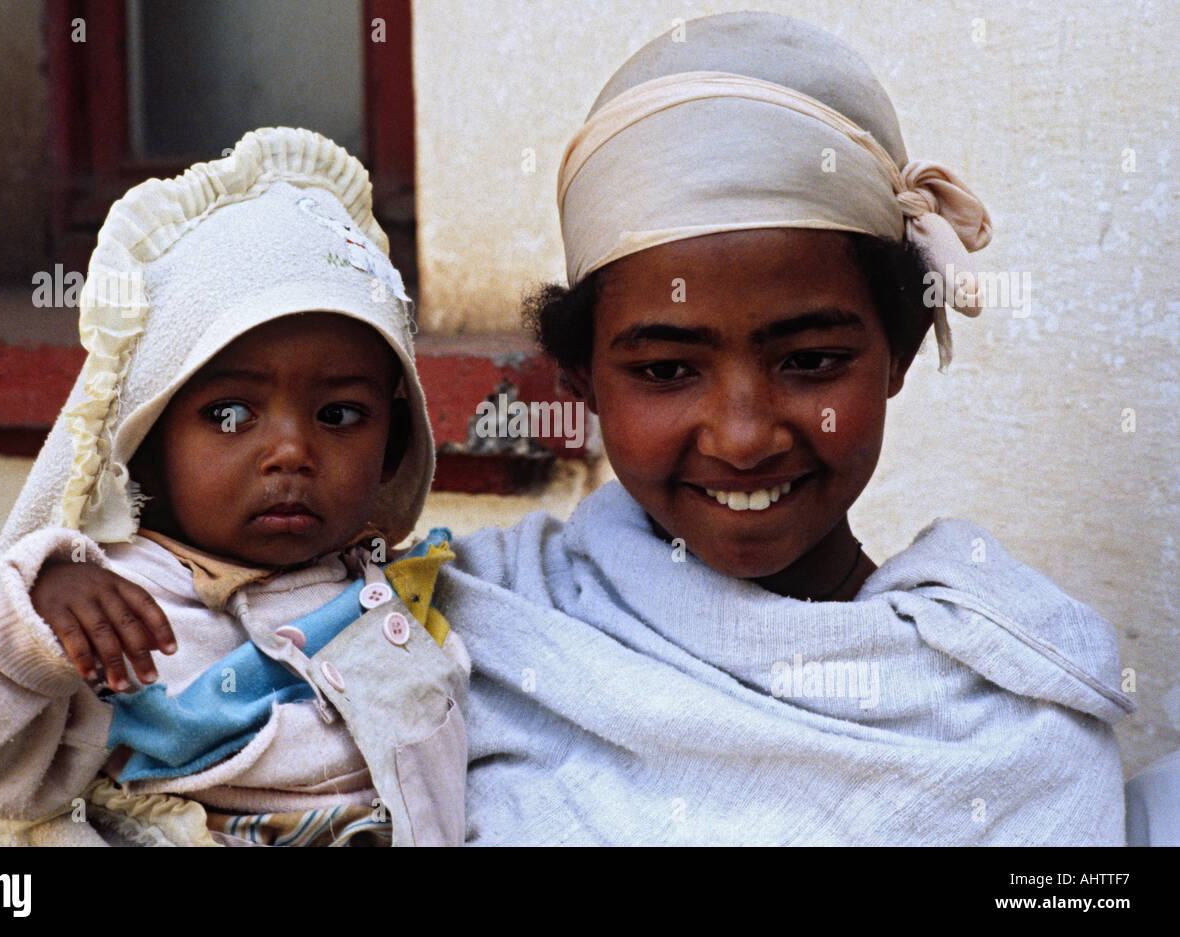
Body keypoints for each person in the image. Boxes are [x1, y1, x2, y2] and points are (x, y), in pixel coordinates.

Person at [436, 11, 1135, 845]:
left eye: (809, 362)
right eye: (665, 370)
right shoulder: (471, 635)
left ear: (897, 353)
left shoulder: (1015, 730)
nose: (741, 437)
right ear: (585, 382)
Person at [0, 127, 468, 847]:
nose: (291, 449)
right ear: (147, 446)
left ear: (393, 445)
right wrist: (29, 621)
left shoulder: (407, 594)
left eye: (340, 415)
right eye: (230, 414)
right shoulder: (111, 609)